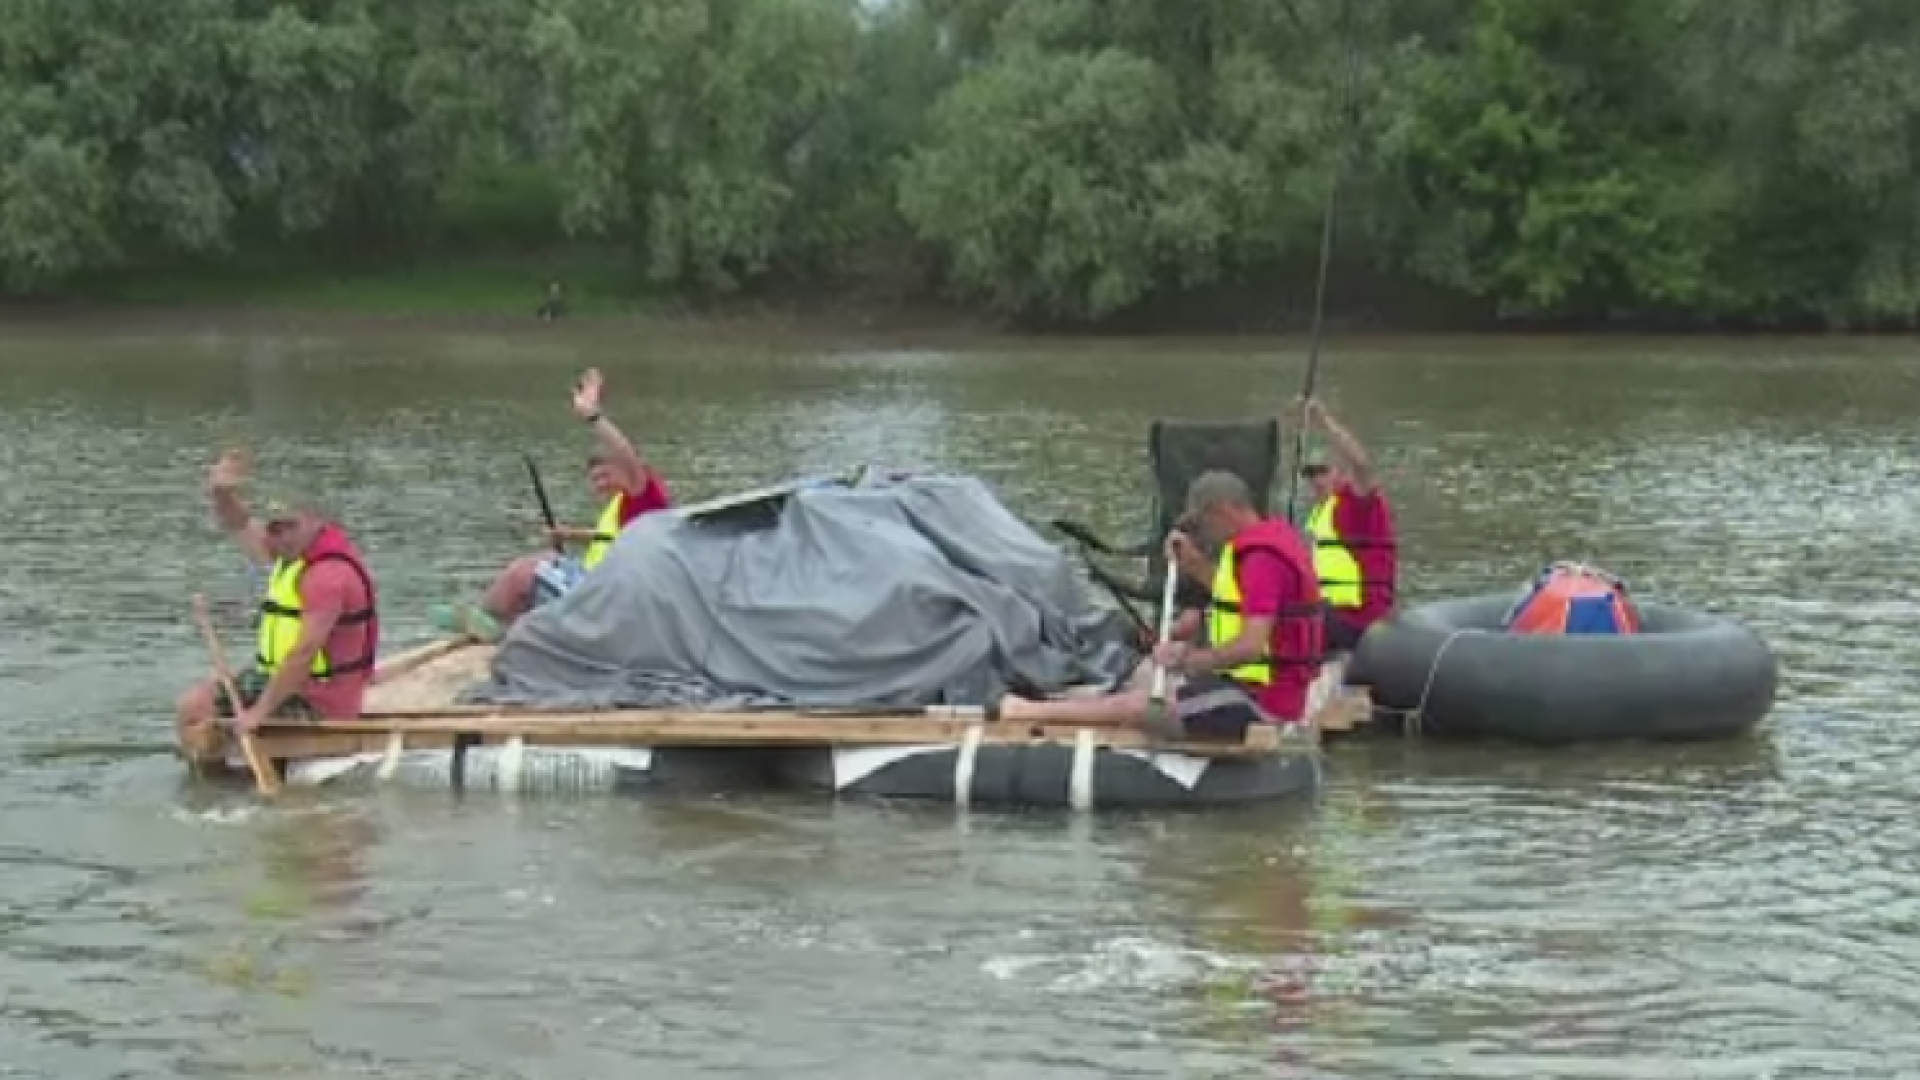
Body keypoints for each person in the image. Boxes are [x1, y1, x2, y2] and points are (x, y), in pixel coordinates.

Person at [1000, 471, 1325, 740]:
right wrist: (1194, 565)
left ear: (1223, 510)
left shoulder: (1262, 560)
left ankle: (1026, 712)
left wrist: (1190, 660)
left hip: (1261, 703)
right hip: (1238, 685)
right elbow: (1238, 601)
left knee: (1146, 707)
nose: (1204, 532)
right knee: (1145, 677)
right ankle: (1060, 704)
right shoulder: (1259, 544)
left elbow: (1252, 646)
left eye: (1204, 523)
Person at [434, 367, 672, 640]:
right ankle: (505, 625)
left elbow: (624, 452)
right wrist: (569, 534)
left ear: (626, 469)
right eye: (595, 479)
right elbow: (611, 536)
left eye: (606, 475)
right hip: (606, 586)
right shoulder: (628, 505)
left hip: (616, 601)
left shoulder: (644, 491)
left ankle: (487, 622)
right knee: (545, 562)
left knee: (524, 572)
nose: (601, 484)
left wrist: (593, 416)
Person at [175, 450, 380, 760]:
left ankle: (245, 775)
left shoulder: (329, 576)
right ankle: (209, 785)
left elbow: (303, 652)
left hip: (321, 700)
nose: (281, 537)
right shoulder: (289, 554)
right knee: (193, 705)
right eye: (275, 528)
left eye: (290, 527)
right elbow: (240, 525)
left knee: (225, 719)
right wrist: (221, 493)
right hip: (280, 684)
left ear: (316, 522)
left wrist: (258, 712)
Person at [1294, 396, 1399, 652]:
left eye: (1322, 471)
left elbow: (1361, 465)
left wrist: (1325, 422)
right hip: (1332, 613)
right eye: (1310, 474)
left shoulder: (1356, 503)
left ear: (1340, 472)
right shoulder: (1320, 514)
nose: (1316, 480)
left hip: (1360, 618)